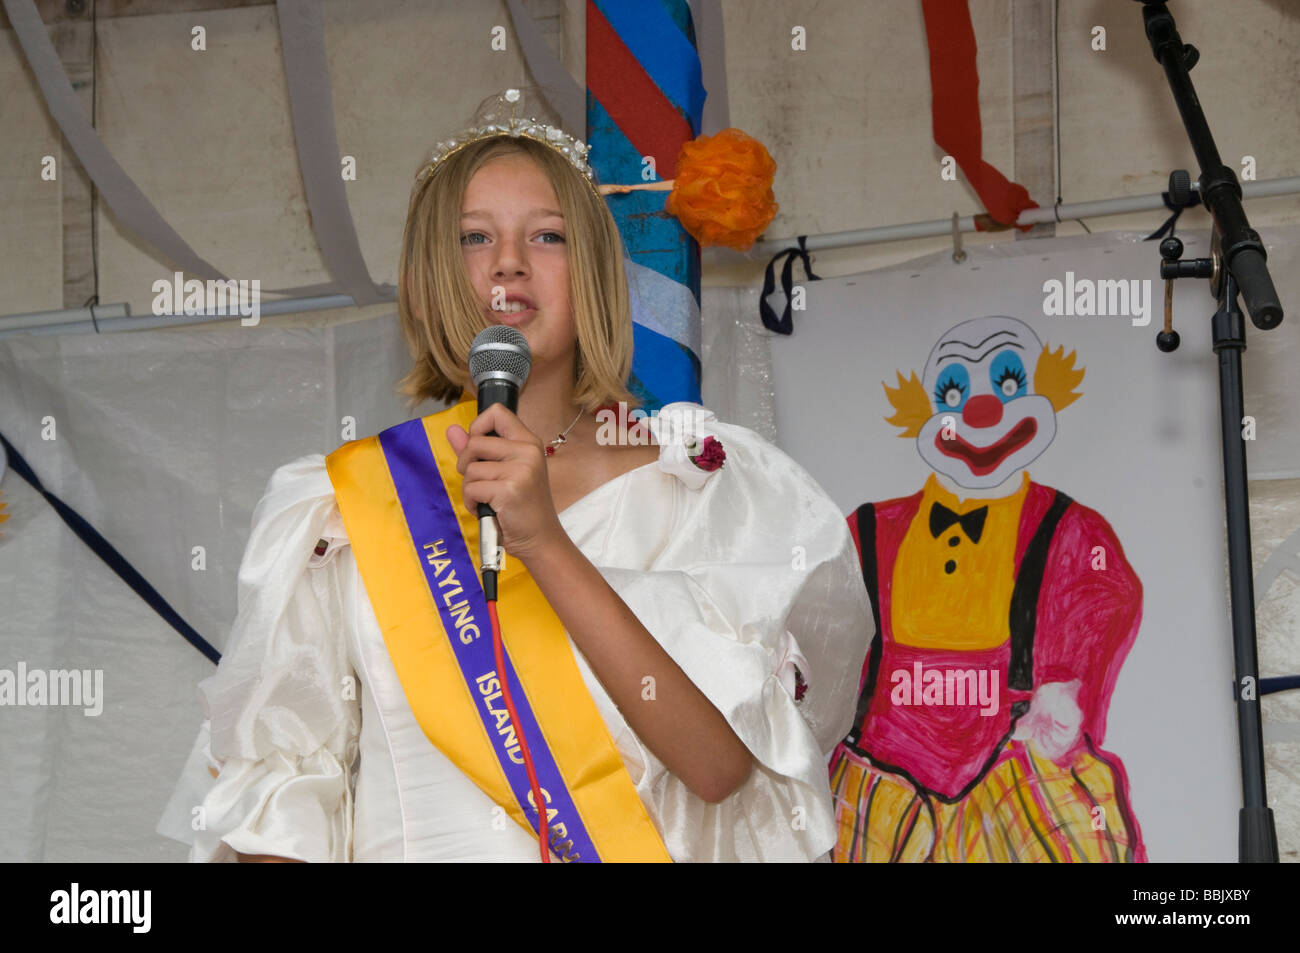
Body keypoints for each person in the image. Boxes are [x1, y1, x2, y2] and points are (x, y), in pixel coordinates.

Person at [160, 90, 872, 862]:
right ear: (432, 272)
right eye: (474, 237)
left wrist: (544, 542)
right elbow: (284, 799)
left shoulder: (694, 483)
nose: (507, 262)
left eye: (547, 235)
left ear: (595, 268)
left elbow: (719, 766)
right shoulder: (349, 506)